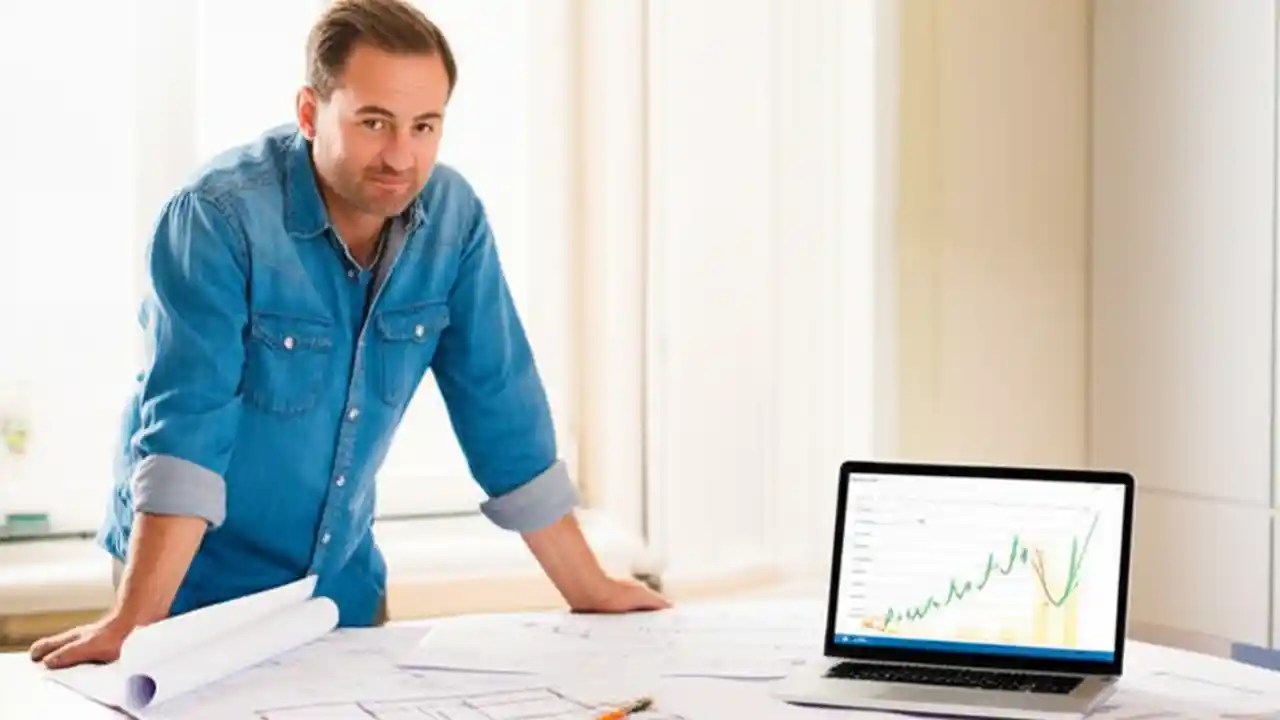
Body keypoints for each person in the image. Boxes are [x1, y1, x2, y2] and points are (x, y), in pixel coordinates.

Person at [30, 0, 668, 670]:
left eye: (424, 126)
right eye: (374, 122)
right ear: (310, 113)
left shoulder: (454, 221)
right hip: (188, 593)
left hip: (340, 591)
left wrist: (590, 589)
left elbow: (501, 407)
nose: (401, 155)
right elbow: (188, 429)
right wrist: (135, 622)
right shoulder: (217, 218)